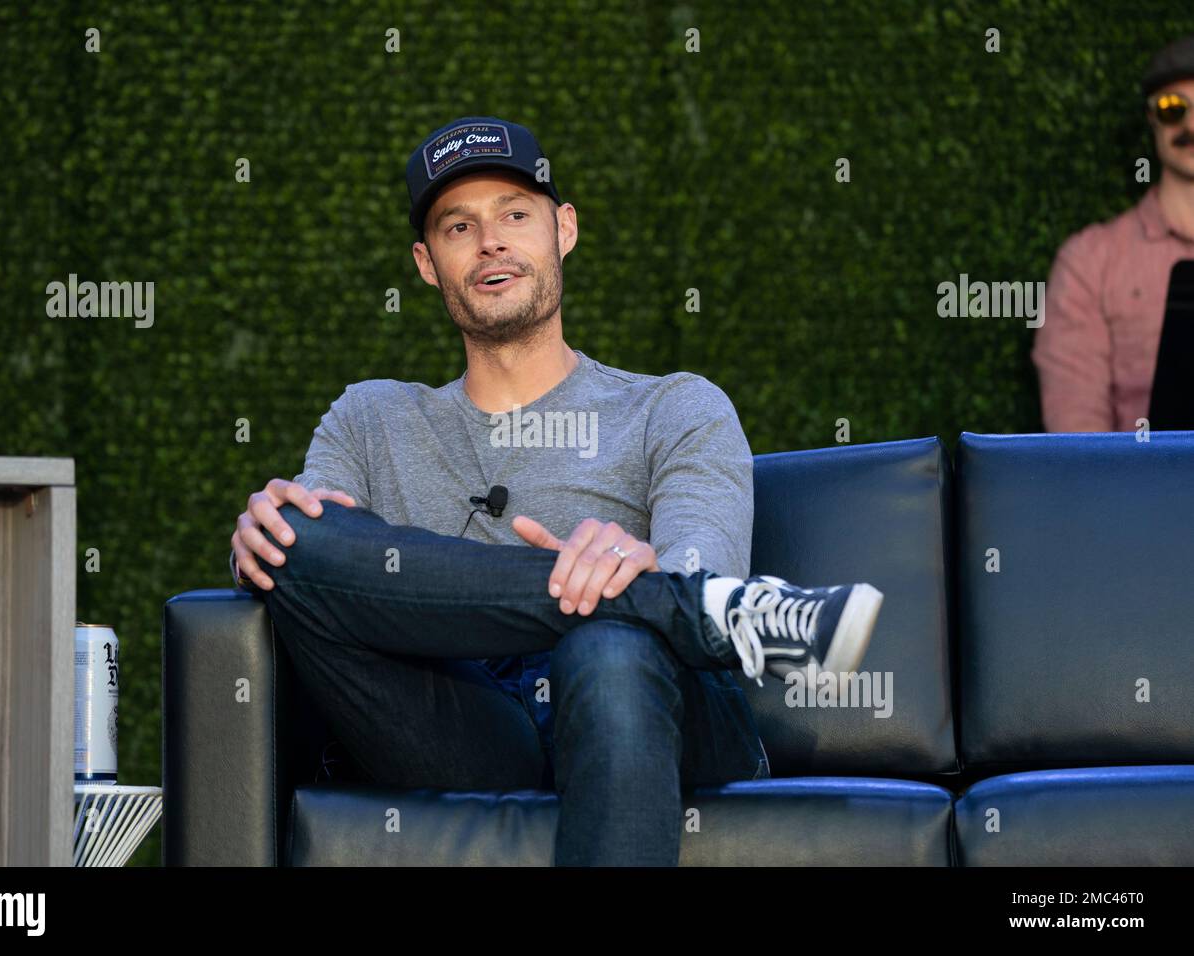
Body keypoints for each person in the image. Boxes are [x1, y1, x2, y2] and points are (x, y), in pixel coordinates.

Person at [228, 115, 883, 866]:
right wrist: (261, 533)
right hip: (471, 727)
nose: (491, 242)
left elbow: (706, 563)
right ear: (425, 263)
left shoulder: (673, 406)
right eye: (458, 226)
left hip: (652, 712)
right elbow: (314, 554)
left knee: (608, 645)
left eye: (515, 214)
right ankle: (677, 609)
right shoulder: (371, 417)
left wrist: (652, 569)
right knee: (289, 535)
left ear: (563, 229)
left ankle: (650, 608)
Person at [1033, 34, 1194, 431]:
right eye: (1174, 108)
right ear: (1152, 120)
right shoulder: (1089, 261)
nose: (1192, 123)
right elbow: (1080, 439)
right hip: (1146, 491)